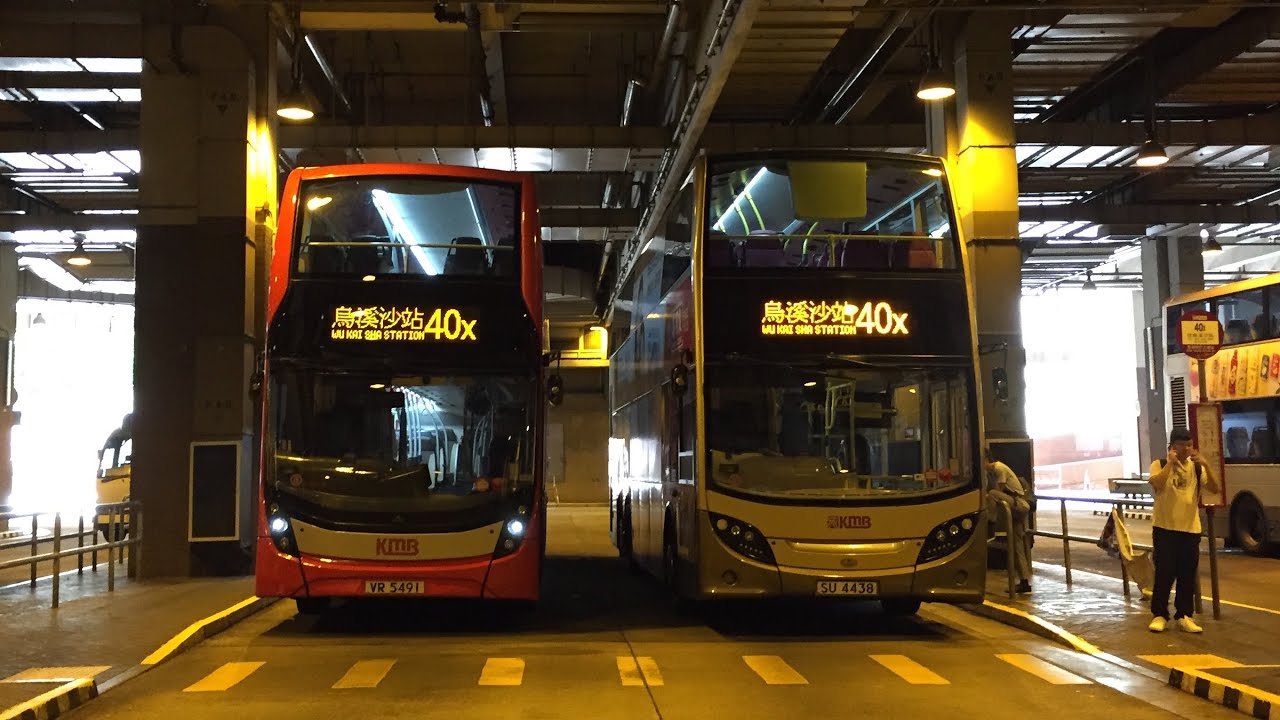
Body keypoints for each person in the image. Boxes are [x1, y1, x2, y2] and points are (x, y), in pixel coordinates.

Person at [1147, 427, 1221, 633]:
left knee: (1187, 574)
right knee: (1164, 572)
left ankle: (1184, 615)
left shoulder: (1196, 468)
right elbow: (1157, 485)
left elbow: (1215, 488)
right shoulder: (1159, 464)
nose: (1187, 448)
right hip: (1164, 528)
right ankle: (1160, 614)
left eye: (1190, 445)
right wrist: (1170, 464)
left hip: (1190, 529)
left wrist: (1206, 464)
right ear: (1173, 446)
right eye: (1183, 445)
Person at [985, 449, 1032, 594]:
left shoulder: (999, 468)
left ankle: (990, 523)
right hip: (1015, 507)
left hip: (1018, 504)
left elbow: (998, 489)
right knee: (1016, 544)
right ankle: (1024, 581)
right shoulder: (993, 471)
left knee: (991, 494)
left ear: (985, 459)